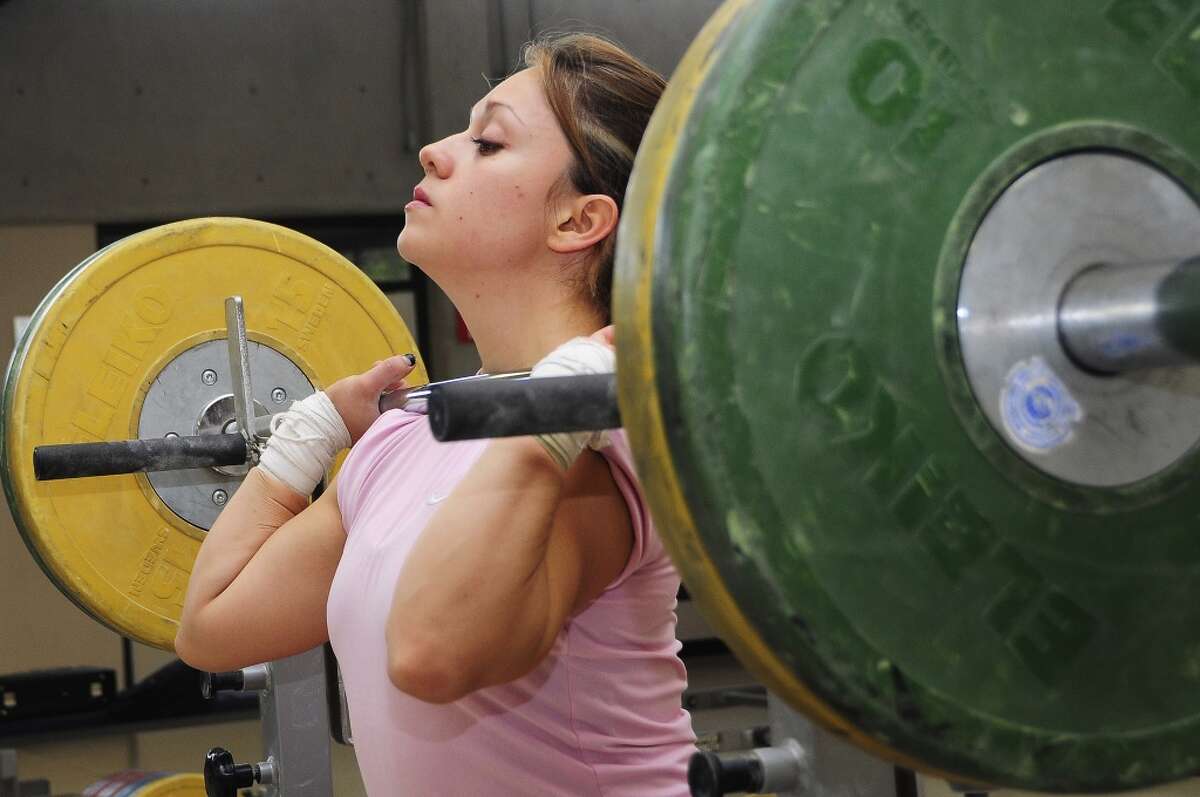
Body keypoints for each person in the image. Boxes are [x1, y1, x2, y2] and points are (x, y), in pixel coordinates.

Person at [175, 33, 697, 795]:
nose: (432, 151)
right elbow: (213, 624)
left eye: (488, 142)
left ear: (577, 221)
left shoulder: (593, 445)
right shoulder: (402, 434)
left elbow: (430, 652)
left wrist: (554, 411)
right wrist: (307, 439)